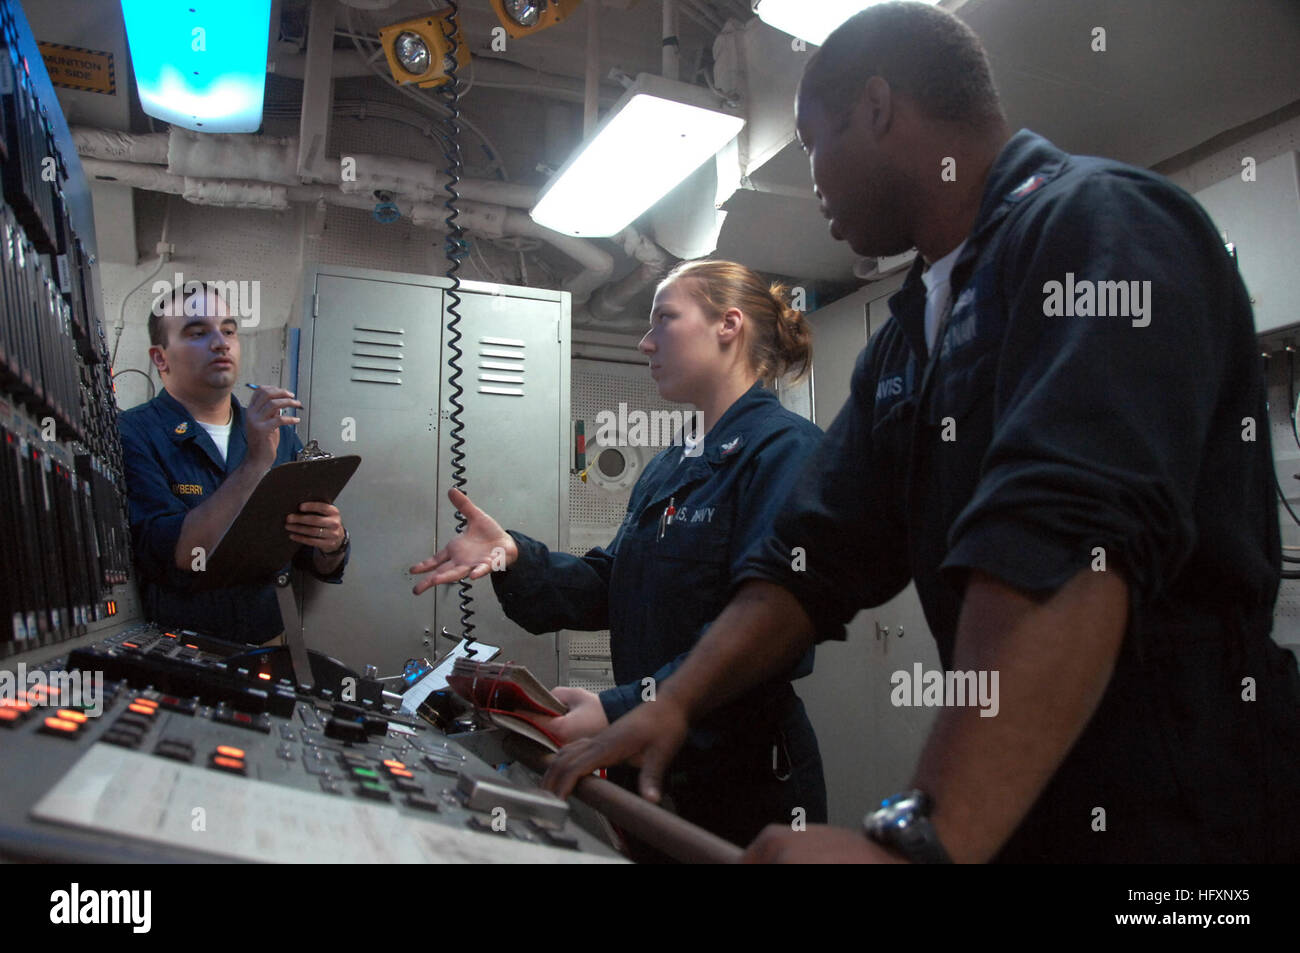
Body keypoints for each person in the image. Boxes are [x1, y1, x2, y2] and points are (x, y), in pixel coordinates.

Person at [541, 1, 1300, 863]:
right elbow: (813, 559)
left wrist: (926, 840)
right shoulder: (910, 337)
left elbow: (1068, 534)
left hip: (1183, 818)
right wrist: (672, 700)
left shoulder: (1100, 225)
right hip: (1025, 806)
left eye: (815, 138)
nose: (813, 174)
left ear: (876, 107)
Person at [410, 260, 828, 851]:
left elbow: (769, 631)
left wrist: (621, 707)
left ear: (727, 325)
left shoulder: (787, 451)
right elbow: (612, 583)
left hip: (742, 782)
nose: (646, 340)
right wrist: (513, 555)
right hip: (651, 766)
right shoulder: (671, 463)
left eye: (665, 319)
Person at [118, 282, 351, 644]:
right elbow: (180, 553)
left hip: (266, 645)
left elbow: (313, 560)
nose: (220, 342)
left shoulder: (280, 434)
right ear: (160, 357)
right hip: (173, 649)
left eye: (228, 330)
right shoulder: (134, 433)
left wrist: (332, 542)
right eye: (197, 332)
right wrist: (256, 462)